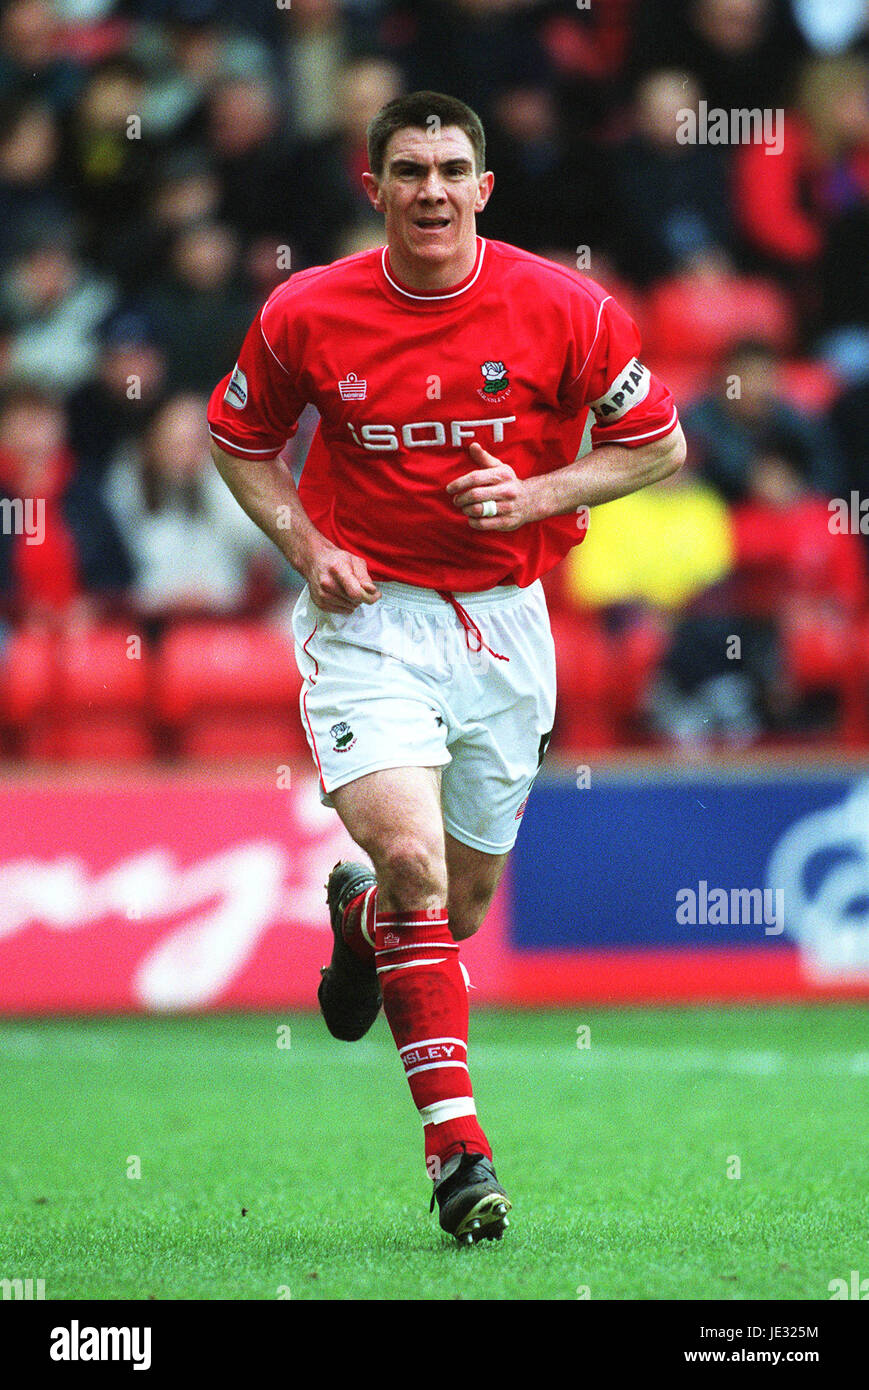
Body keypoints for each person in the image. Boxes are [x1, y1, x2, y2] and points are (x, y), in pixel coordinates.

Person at [206, 90, 685, 1244]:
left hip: (505, 624)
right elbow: (237, 438)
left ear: (483, 187)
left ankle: (362, 920)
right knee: (416, 855)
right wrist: (308, 546)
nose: (430, 189)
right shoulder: (305, 312)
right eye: (408, 170)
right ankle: (457, 1154)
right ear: (372, 187)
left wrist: (536, 492)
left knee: (452, 910)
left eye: (450, 169)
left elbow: (656, 443)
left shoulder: (562, 307)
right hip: (370, 619)